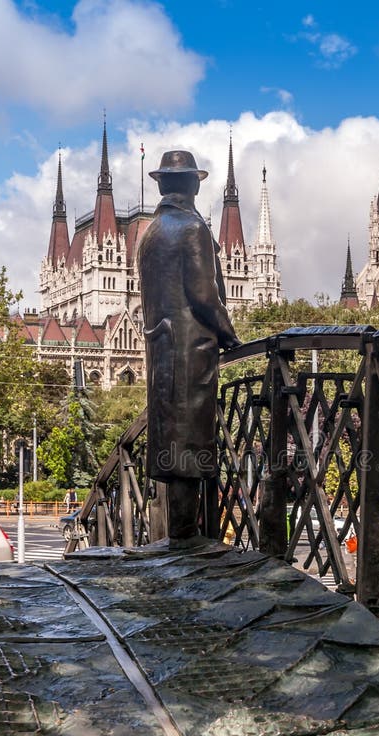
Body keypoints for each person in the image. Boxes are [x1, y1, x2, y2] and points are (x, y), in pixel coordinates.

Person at [138, 149, 241, 541]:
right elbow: (202, 293)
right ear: (193, 185)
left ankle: (179, 537)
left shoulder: (151, 233)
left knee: (173, 446)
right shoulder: (190, 228)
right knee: (190, 447)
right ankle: (186, 541)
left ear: (163, 184)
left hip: (162, 353)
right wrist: (229, 334)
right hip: (192, 351)